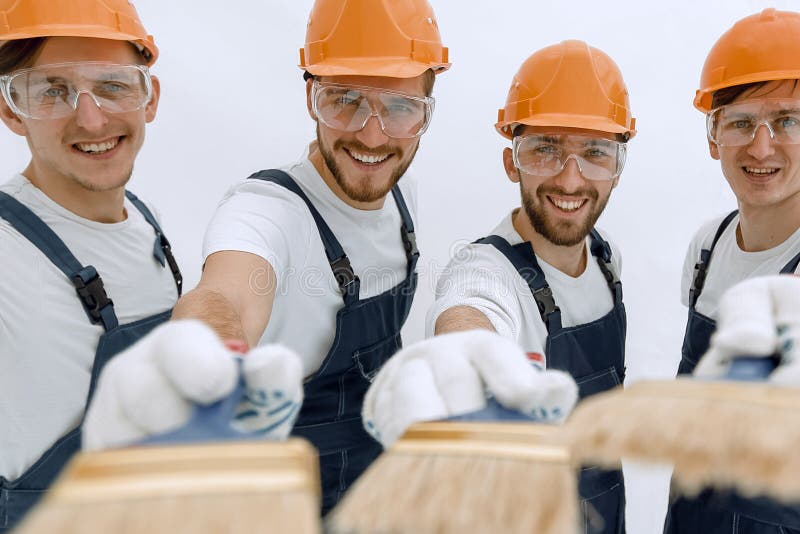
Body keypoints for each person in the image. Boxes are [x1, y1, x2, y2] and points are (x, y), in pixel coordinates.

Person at [84, 0, 449, 516]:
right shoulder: (266, 211)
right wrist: (204, 359)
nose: (372, 134)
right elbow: (225, 294)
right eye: (343, 99)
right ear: (310, 96)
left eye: (401, 108)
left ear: (427, 108)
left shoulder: (402, 194)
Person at [362, 40, 635, 534]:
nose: (570, 180)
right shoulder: (484, 270)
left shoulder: (604, 256)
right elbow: (469, 314)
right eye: (545, 150)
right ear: (512, 162)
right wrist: (467, 368)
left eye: (595, 153)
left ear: (617, 168)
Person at [0, 0, 182, 530]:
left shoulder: (146, 223)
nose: (91, 117)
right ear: (12, 110)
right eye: (52, 90)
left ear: (149, 99)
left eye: (113, 84)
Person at [665, 8, 800, 533]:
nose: (761, 147)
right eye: (741, 122)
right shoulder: (709, 247)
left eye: (788, 120)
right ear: (712, 136)